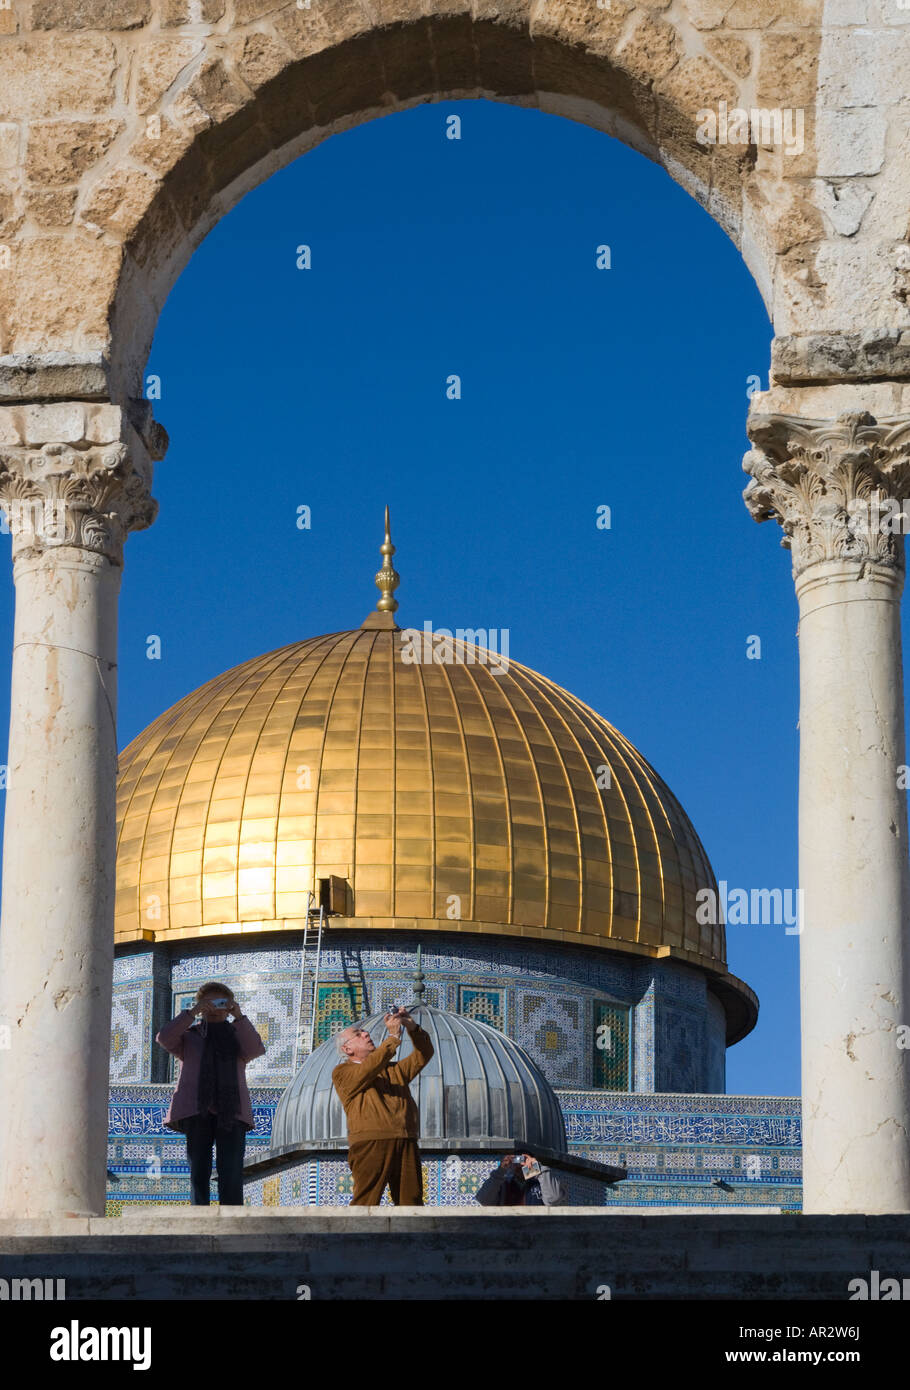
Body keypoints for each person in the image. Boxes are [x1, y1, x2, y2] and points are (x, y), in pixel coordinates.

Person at [156, 981, 266, 1206]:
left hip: (232, 1110)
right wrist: (192, 1013)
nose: (216, 1009)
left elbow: (255, 1049)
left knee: (231, 1169)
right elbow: (164, 1038)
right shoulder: (190, 1037)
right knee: (199, 1169)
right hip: (198, 1110)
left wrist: (239, 1016)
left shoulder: (237, 1035)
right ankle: (199, 1216)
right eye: (210, 1003)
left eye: (221, 1003)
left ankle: (233, 1218)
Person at [332, 1005, 434, 1206]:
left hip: (405, 1139)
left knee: (411, 1201)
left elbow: (424, 1053)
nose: (365, 1033)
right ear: (348, 1049)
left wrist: (411, 1027)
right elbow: (367, 1071)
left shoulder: (392, 1070)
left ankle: (409, 1238)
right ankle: (356, 1237)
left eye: (364, 1031)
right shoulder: (343, 1072)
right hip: (371, 1142)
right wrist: (393, 1038)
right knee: (366, 1200)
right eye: (358, 1034)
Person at [476, 1152, 567, 1206]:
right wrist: (501, 1171)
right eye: (517, 1160)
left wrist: (539, 1169)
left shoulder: (542, 1183)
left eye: (524, 1160)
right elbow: (484, 1200)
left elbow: (554, 1198)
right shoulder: (503, 1184)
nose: (520, 1164)